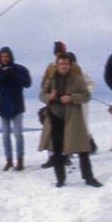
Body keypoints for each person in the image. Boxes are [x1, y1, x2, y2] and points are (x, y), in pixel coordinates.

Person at [40, 55, 102, 188]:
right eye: (61, 63)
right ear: (57, 65)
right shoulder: (51, 80)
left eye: (66, 64)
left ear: (70, 65)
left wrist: (72, 98)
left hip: (73, 118)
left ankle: (88, 177)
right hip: (55, 117)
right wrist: (49, 97)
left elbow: (86, 95)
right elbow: (42, 95)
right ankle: (60, 179)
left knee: (82, 149)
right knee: (57, 150)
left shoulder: (78, 80)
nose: (63, 66)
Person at [0, 46, 32, 170]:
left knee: (18, 134)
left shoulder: (19, 69)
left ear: (11, 57)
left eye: (7, 56)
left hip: (16, 105)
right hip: (3, 106)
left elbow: (28, 83)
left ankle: (20, 160)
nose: (5, 59)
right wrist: (0, 75)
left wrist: (13, 74)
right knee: (5, 135)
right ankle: (9, 160)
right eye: (2, 57)